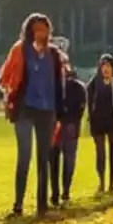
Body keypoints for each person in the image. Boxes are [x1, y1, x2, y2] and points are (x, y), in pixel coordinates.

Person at [0, 13, 66, 216]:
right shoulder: (20, 50)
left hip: (47, 110)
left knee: (44, 157)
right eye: (36, 30)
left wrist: (60, 113)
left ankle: (42, 206)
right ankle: (18, 204)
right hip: (25, 108)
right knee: (24, 155)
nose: (40, 34)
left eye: (43, 30)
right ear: (29, 32)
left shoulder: (54, 55)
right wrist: (10, 93)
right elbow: (5, 76)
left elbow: (59, 85)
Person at [87, 55, 113, 195]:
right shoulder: (94, 83)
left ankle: (111, 182)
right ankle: (101, 181)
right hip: (98, 121)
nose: (105, 68)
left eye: (108, 66)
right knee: (100, 153)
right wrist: (90, 120)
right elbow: (89, 102)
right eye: (103, 65)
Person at [49, 63, 86, 207]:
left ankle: (64, 190)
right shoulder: (52, 87)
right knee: (54, 162)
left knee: (68, 161)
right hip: (55, 128)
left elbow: (80, 110)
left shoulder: (77, 87)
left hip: (69, 127)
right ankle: (56, 192)